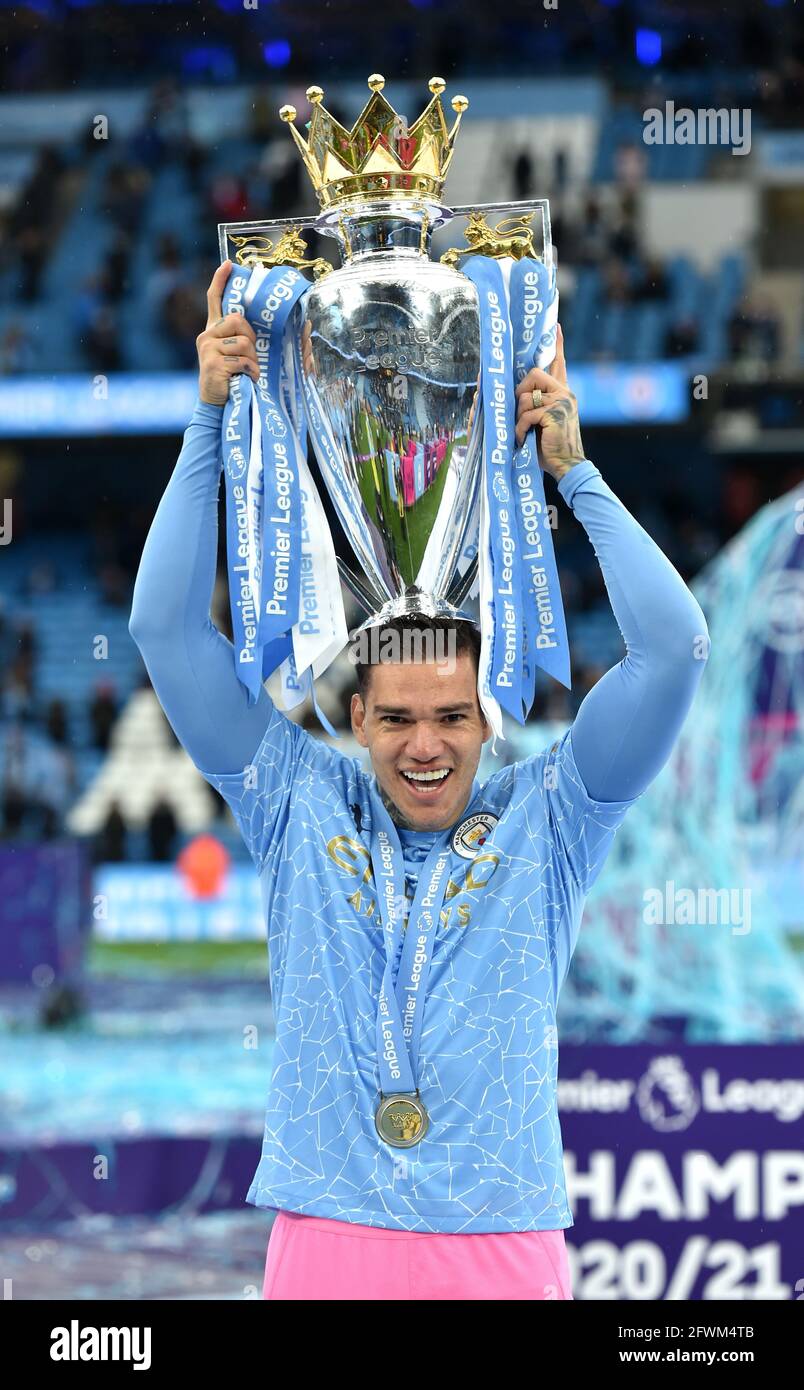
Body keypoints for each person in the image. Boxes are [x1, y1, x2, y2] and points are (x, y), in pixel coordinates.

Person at [129, 264, 710, 1301]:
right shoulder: (296, 797)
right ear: (357, 718)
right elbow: (163, 631)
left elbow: (675, 651)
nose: (425, 745)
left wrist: (577, 476)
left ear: (489, 715)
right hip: (328, 1235)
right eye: (396, 718)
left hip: (502, 1240)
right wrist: (208, 422)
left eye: (451, 715)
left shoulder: (553, 815)